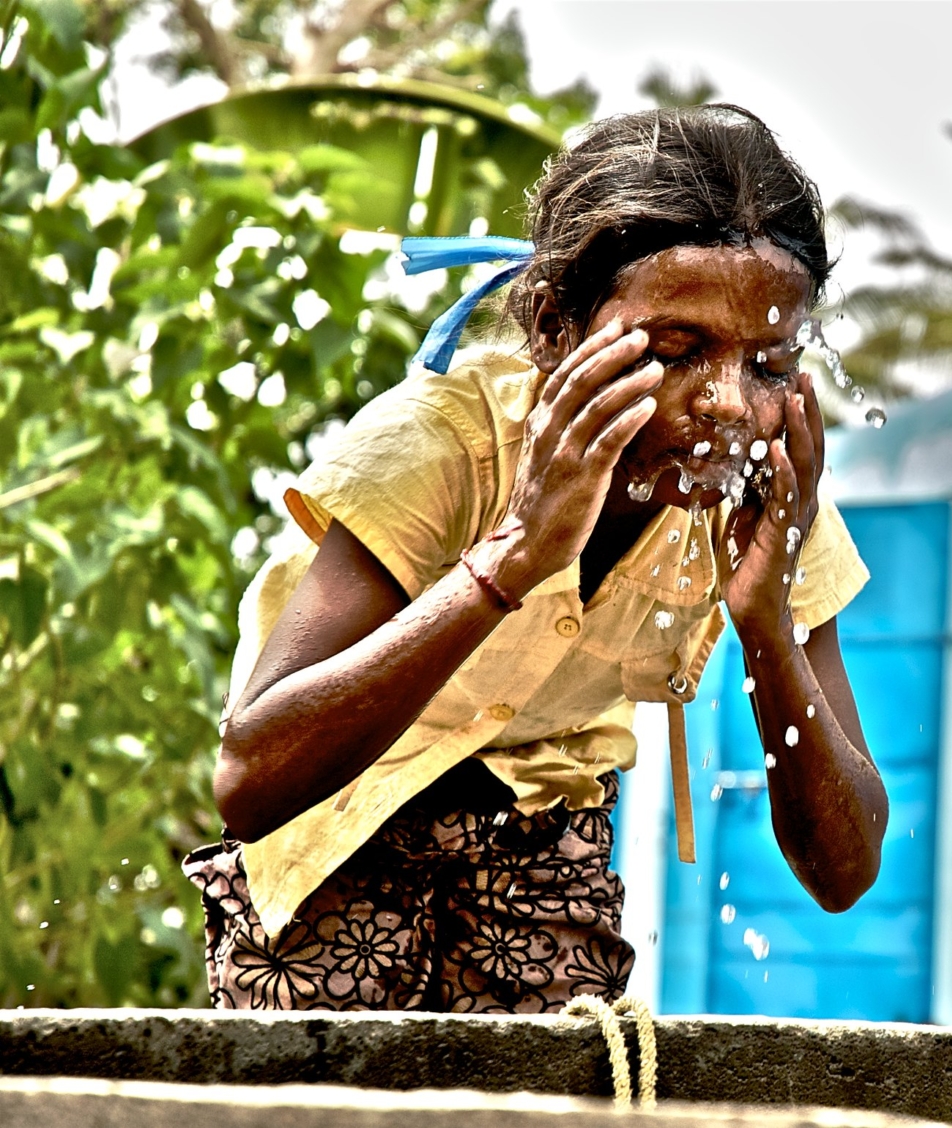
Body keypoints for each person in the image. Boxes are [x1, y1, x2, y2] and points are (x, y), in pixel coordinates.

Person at [184, 105, 889, 1012]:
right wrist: (512, 556)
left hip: (541, 866)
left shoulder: (763, 498)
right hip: (337, 846)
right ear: (557, 326)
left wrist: (764, 626)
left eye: (769, 364)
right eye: (676, 351)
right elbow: (250, 783)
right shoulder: (444, 446)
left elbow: (845, 870)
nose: (727, 404)